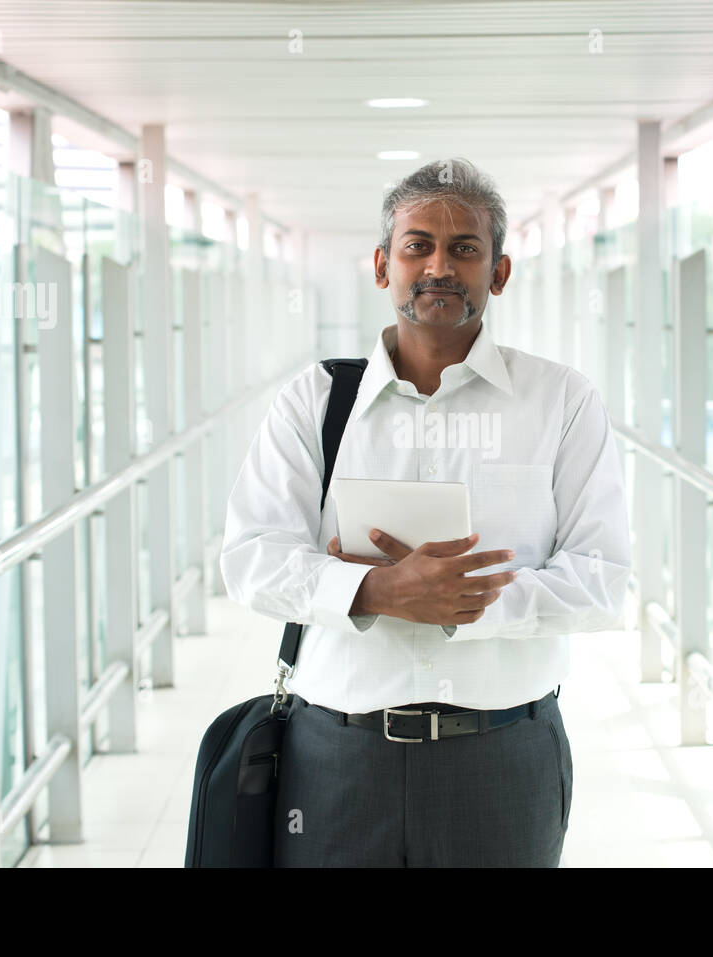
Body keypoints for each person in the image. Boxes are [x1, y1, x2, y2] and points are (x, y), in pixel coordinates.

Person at [219, 156, 631, 866]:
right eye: (418, 246)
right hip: (337, 760)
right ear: (383, 265)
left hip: (502, 760)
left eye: (465, 248)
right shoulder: (314, 403)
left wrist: (465, 600)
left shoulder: (562, 401)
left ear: (498, 272)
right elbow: (250, 558)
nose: (439, 265)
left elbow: (604, 579)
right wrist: (376, 590)